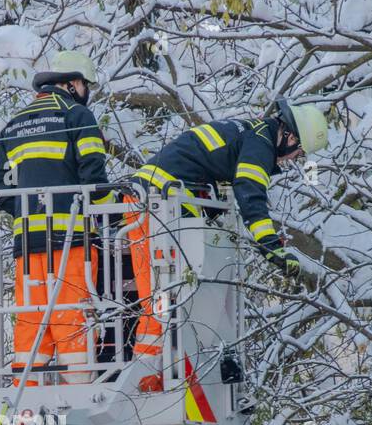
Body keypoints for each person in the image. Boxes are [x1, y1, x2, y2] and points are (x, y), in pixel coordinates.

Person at [123, 100, 329, 387]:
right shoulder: (260, 144)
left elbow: (212, 176)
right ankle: (143, 379)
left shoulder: (251, 134)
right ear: (291, 138)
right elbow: (251, 193)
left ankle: (157, 371)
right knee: (161, 298)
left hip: (159, 202)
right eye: (299, 153)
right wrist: (270, 245)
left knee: (174, 296)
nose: (293, 160)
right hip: (157, 204)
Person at [0, 50, 112, 385]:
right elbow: (97, 184)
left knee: (31, 319)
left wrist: (27, 210)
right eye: (86, 85)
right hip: (71, 242)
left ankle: (26, 390)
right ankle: (80, 387)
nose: (87, 92)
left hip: (27, 245)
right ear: (73, 83)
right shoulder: (78, 117)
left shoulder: (15, 124)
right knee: (71, 314)